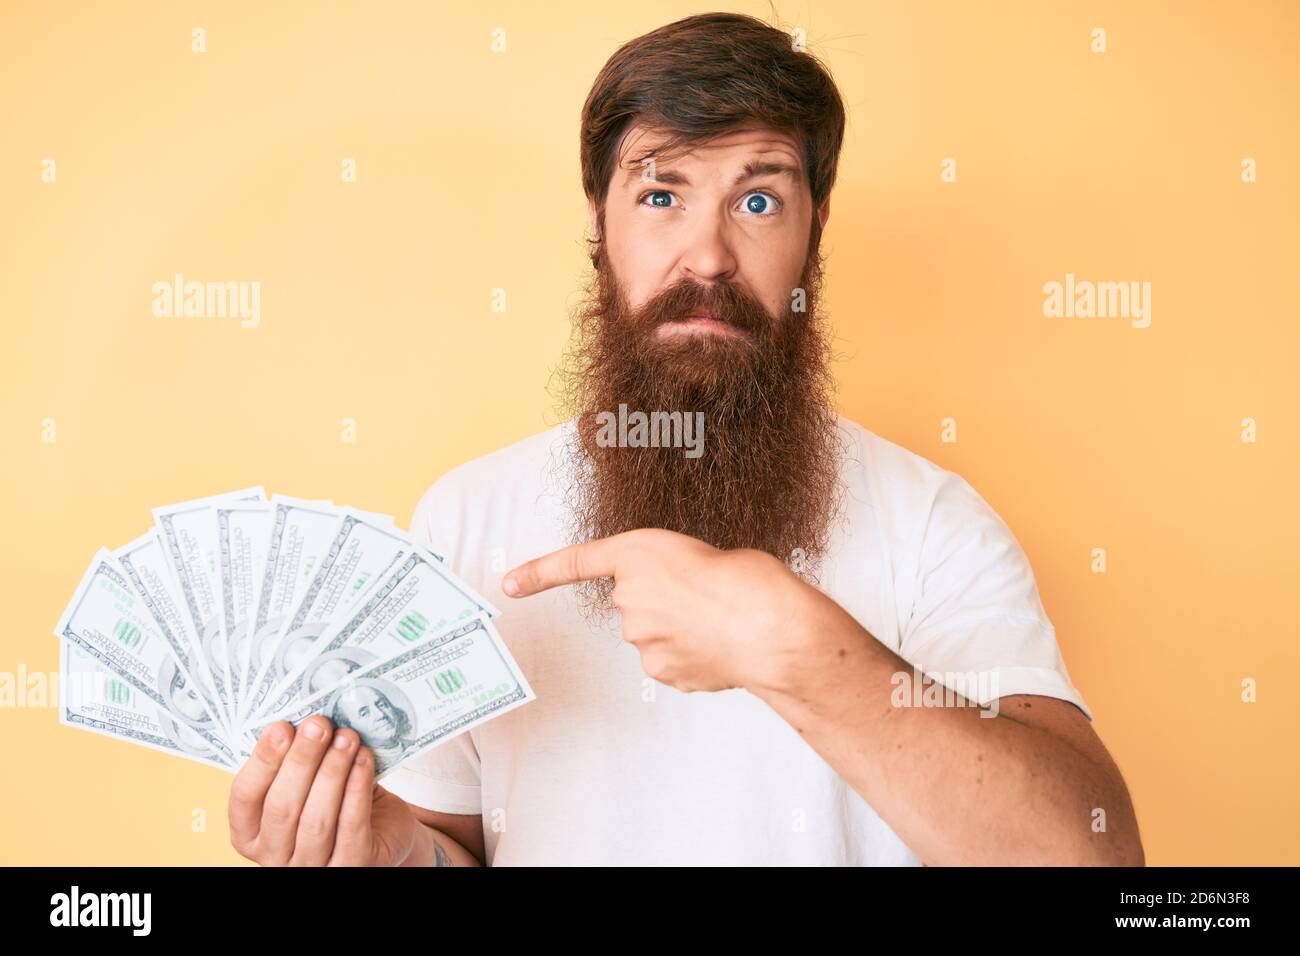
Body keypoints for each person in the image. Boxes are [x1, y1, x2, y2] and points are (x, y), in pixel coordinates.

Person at [228, 12, 1143, 868]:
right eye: (662, 193)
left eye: (758, 203)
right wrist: (389, 849)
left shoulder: (932, 521)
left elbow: (1092, 853)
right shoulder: (468, 515)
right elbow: (455, 844)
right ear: (598, 224)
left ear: (815, 231)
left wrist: (797, 650)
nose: (707, 256)